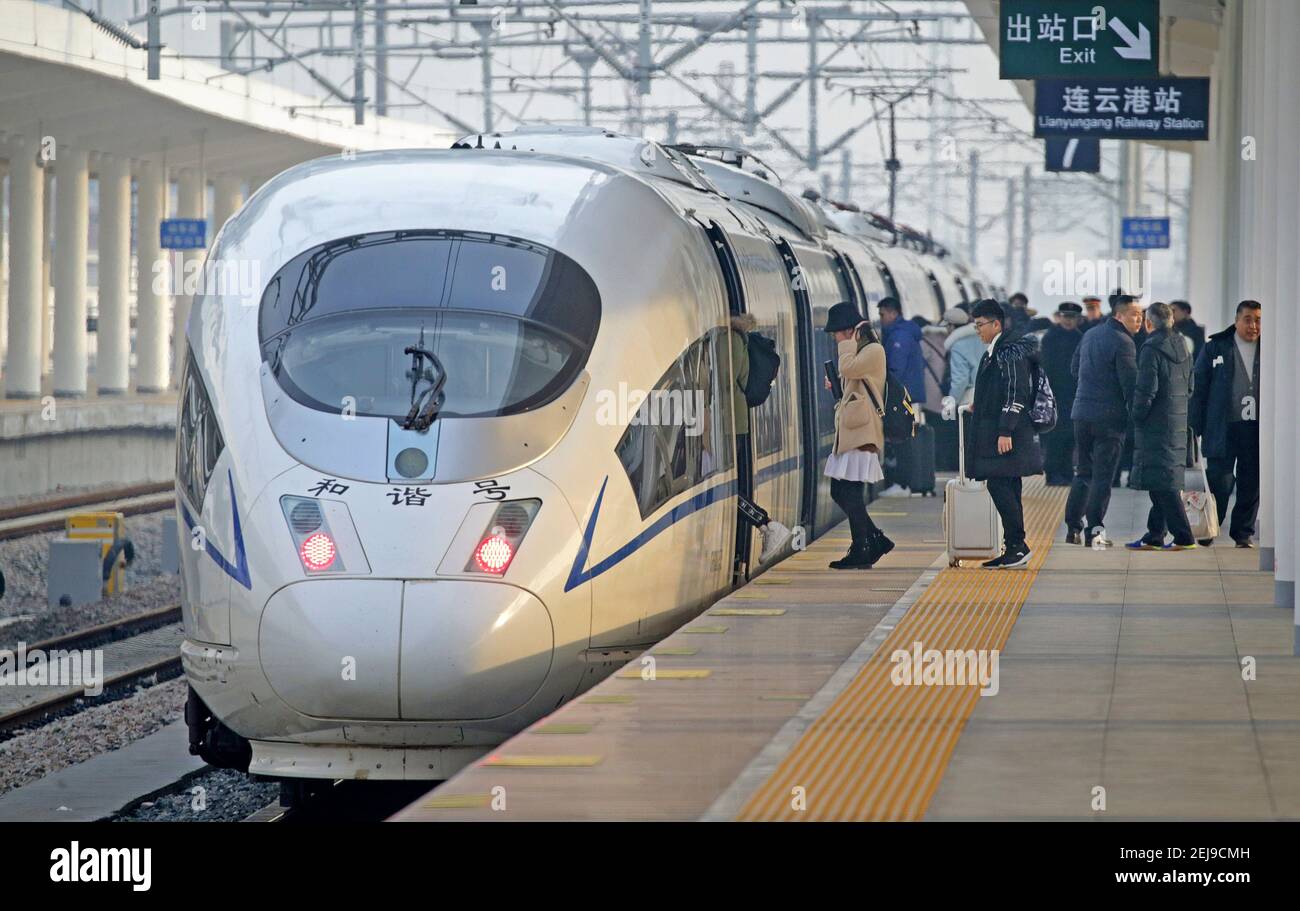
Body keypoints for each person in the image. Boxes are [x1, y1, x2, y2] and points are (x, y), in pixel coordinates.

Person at [964, 300, 1042, 568]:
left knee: (1000, 485)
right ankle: (1015, 546)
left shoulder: (1008, 351)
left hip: (1006, 432)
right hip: (997, 428)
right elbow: (998, 388)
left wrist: (1005, 430)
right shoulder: (997, 350)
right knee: (1007, 485)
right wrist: (981, 403)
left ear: (996, 324)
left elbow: (1014, 391)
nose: (978, 331)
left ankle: (1018, 545)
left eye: (980, 325)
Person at [1064, 294, 1142, 546]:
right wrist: (1138, 413)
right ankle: (1095, 530)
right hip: (1109, 419)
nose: (1139, 320)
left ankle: (1073, 527)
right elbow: (1130, 384)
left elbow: (1074, 369)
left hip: (1082, 414)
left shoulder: (1090, 335)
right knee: (1103, 476)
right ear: (1119, 315)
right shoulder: (1124, 341)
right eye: (1134, 315)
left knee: (1083, 471)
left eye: (1141, 315)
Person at [822, 302, 894, 569]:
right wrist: (837, 385)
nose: (835, 339)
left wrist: (847, 345)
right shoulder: (860, 353)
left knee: (847, 491)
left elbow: (850, 369)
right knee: (842, 490)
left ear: (850, 331)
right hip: (853, 430)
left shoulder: (874, 350)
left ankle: (865, 545)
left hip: (862, 432)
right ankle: (871, 539)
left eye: (838, 334)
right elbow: (853, 383)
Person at [1189, 300, 1262, 547]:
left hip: (1256, 429)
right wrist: (1194, 426)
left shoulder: (1269, 348)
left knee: (1251, 482)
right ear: (1236, 320)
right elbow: (1199, 388)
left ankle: (1243, 533)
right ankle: (1211, 525)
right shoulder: (1216, 347)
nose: (1253, 325)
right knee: (1220, 479)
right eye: (1248, 319)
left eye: (1258, 320)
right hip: (1222, 426)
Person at [1125, 302, 1197, 551]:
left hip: (1156, 425)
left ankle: (1184, 536)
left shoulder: (1151, 348)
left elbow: (1147, 389)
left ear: (1149, 323)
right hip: (1176, 422)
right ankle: (1154, 535)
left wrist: (1136, 416)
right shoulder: (1183, 346)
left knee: (1164, 486)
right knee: (1162, 481)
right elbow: (1190, 388)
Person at [730, 313, 791, 566]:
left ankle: (767, 525)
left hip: (728, 425)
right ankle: (767, 525)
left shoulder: (730, 340)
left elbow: (728, 380)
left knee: (727, 494)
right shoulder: (736, 337)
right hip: (734, 422)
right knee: (730, 491)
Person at [1039, 302, 1085, 485]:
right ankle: (1052, 473)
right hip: (1054, 393)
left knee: (1070, 436)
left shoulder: (1080, 338)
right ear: (1060, 317)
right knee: (1054, 435)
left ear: (1078, 320)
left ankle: (1066, 472)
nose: (1068, 321)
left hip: (1073, 393)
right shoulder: (1051, 337)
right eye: (1066, 317)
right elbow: (1046, 366)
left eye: (1072, 317)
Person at [940, 306, 985, 421]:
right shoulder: (983, 338)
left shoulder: (958, 346)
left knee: (967, 437)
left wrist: (950, 405)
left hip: (969, 402)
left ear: (951, 326)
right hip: (989, 397)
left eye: (947, 327)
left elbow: (960, 380)